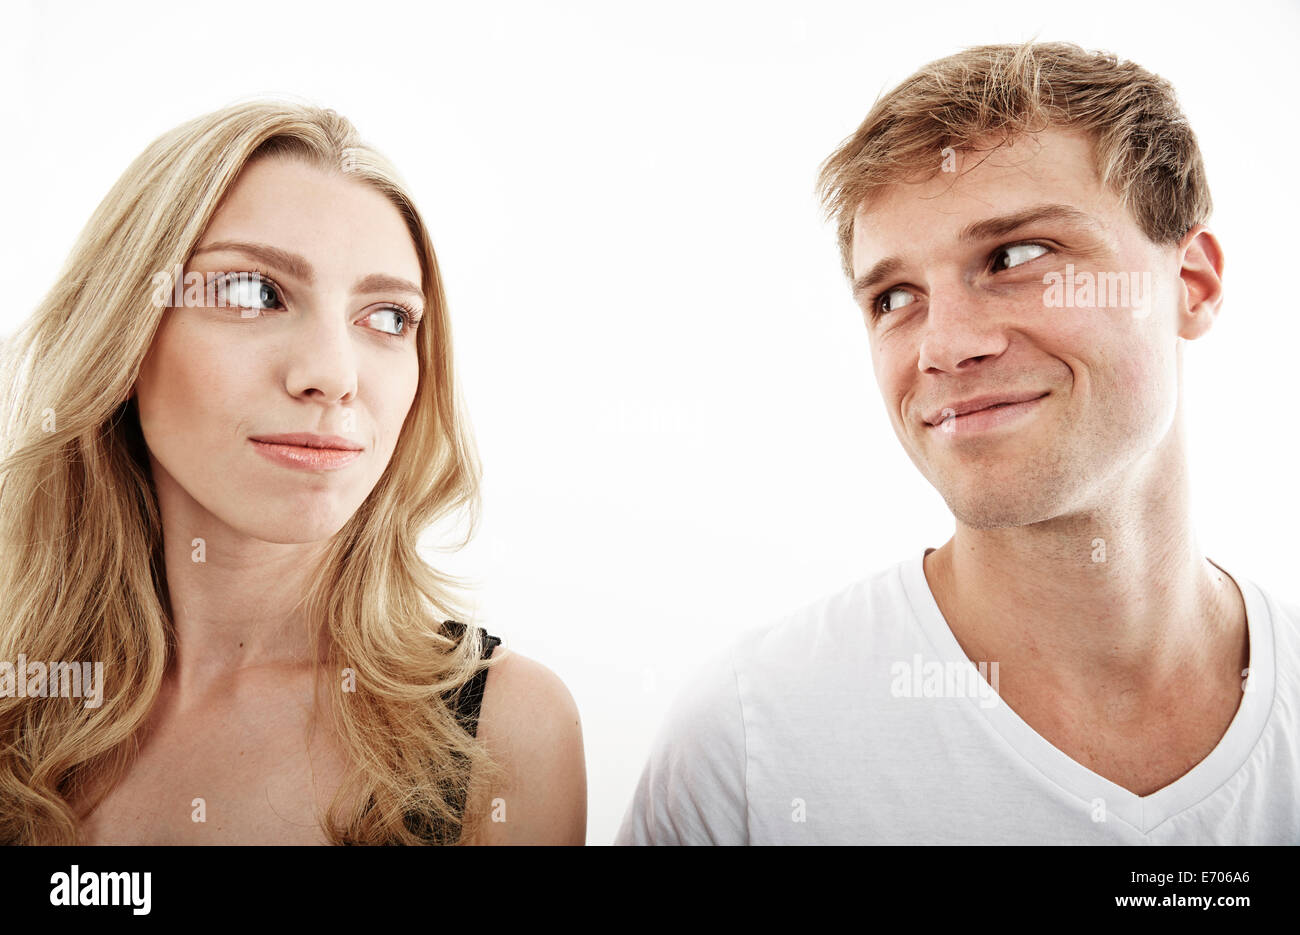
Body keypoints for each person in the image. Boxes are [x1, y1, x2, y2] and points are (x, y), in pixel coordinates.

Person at [617, 41, 1299, 844]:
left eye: (1015, 256)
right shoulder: (747, 747)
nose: (943, 346)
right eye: (895, 295)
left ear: (1191, 283)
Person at [0, 99, 585, 845]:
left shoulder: (501, 731)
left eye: (387, 316)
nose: (334, 376)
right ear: (124, 335)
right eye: (252, 292)